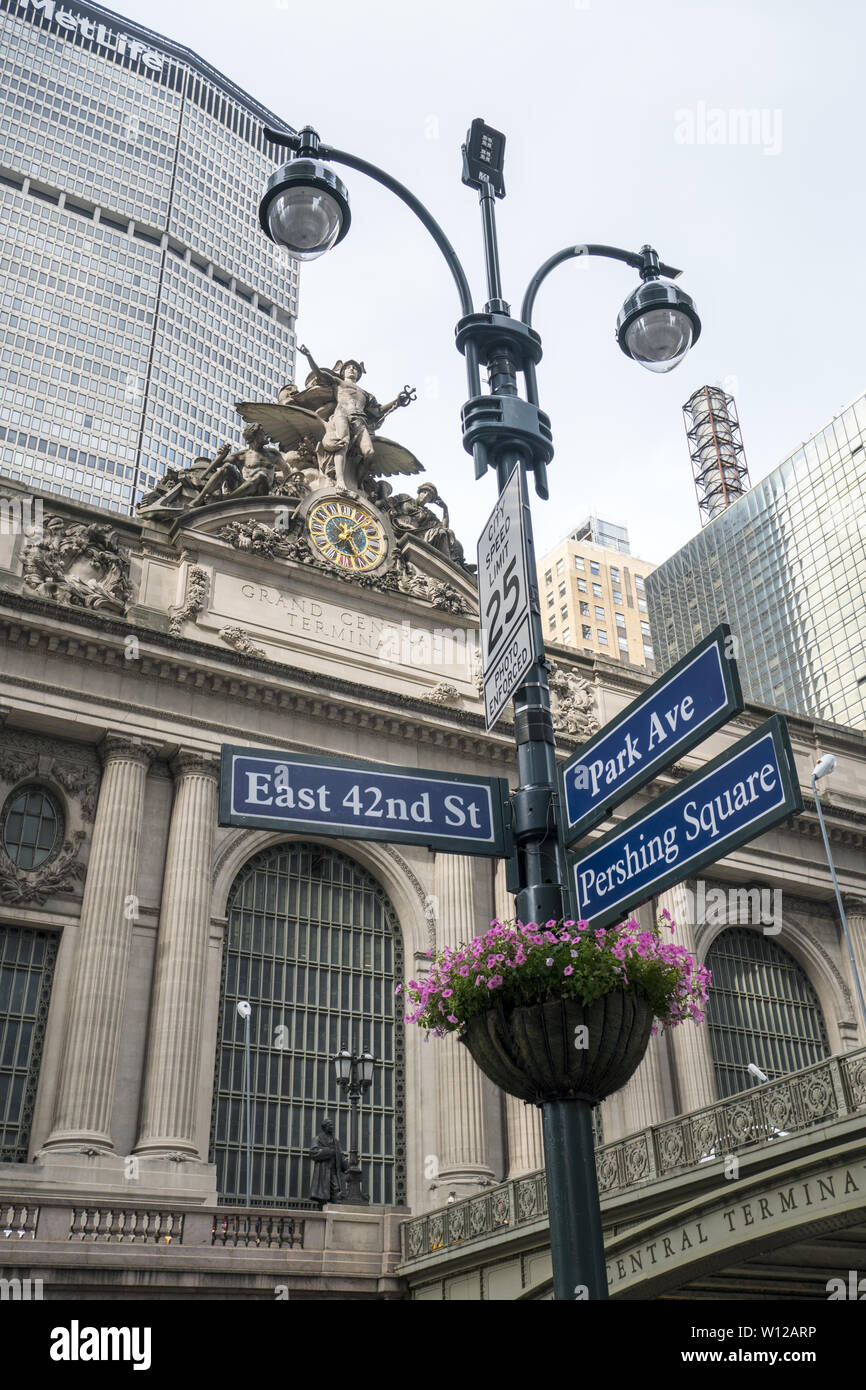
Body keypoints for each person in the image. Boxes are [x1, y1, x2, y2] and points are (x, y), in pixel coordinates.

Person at [308, 1116, 348, 1206]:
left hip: (334, 1171)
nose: (332, 1127)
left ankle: (334, 1216)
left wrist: (347, 1166)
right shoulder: (317, 1139)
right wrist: (329, 1151)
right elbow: (313, 1152)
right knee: (323, 1197)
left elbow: (341, 1155)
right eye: (330, 1125)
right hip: (323, 1171)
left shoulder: (336, 1142)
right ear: (324, 1127)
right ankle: (322, 1211)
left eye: (332, 1125)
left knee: (337, 1193)